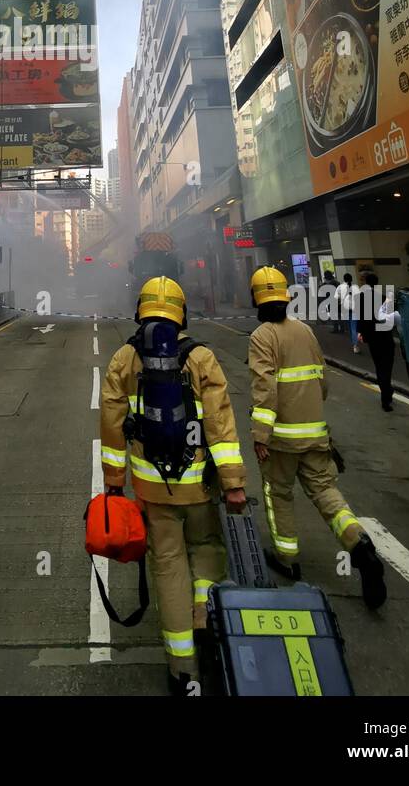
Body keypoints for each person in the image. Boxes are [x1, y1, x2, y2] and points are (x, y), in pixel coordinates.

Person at [100, 276, 247, 696]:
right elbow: (220, 424)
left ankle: (183, 670)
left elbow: (112, 428)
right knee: (207, 551)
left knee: (167, 565)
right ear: (181, 312)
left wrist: (114, 484)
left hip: (152, 489)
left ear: (140, 310)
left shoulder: (124, 359)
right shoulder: (201, 357)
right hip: (199, 483)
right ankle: (205, 621)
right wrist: (233, 483)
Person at [247, 266, 387, 608]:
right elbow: (322, 380)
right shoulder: (306, 331)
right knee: (327, 492)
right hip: (315, 434)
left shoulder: (262, 337)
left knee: (278, 493)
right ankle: (360, 546)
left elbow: (265, 389)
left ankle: (286, 557)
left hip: (281, 439)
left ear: (257, 300)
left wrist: (261, 435)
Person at [357, 272, 397, 413]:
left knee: (379, 366)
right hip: (385, 337)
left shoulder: (360, 298)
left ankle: (386, 393)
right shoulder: (383, 298)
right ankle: (387, 394)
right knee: (387, 367)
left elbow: (360, 318)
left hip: (373, 339)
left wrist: (361, 333)